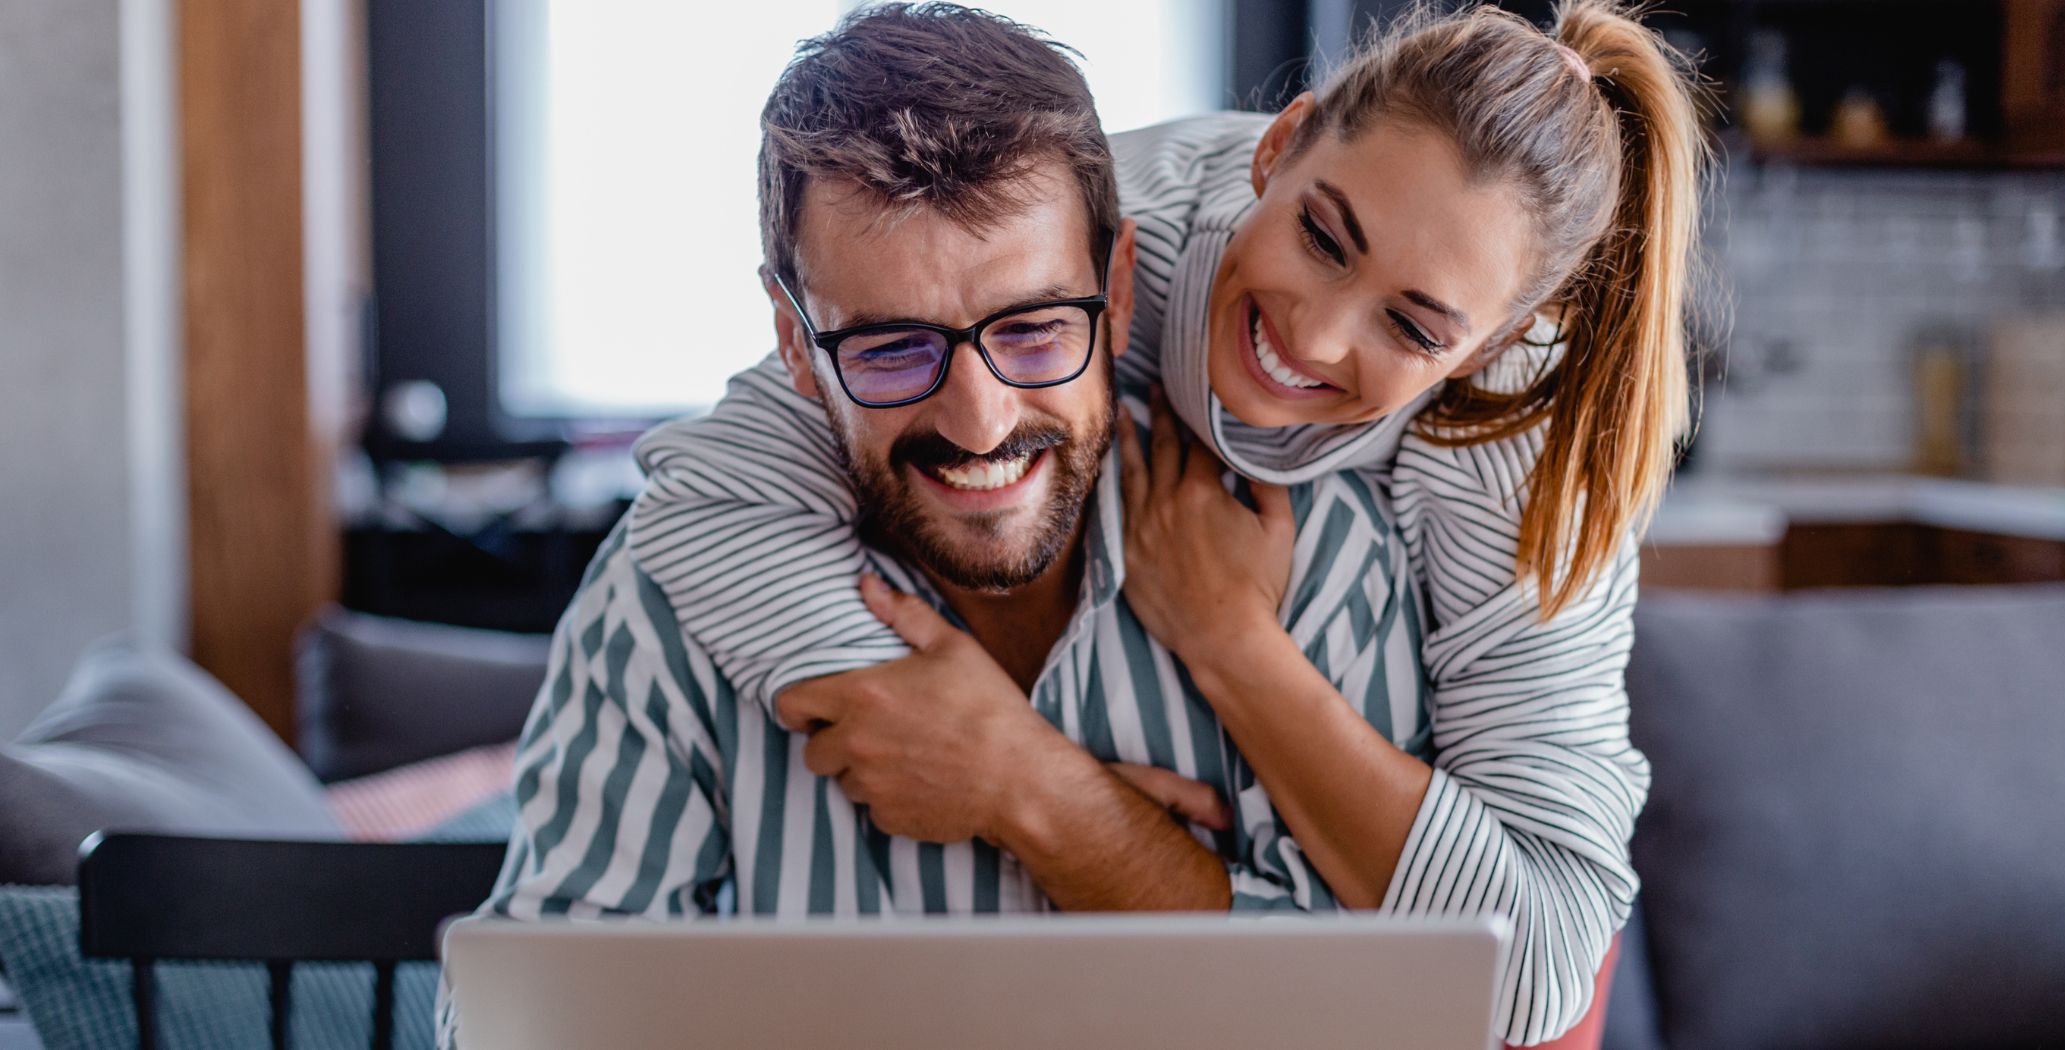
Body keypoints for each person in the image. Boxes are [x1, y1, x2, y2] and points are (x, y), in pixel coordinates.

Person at [641, 1, 1703, 1045]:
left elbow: (1543, 965)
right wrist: (994, 750)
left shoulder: (1512, 429)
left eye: (1412, 325)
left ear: (1483, 349)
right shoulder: (1094, 228)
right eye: (1323, 239)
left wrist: (1227, 644)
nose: (1315, 334)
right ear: (1280, 146)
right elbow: (700, 495)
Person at [436, 5, 1458, 1047]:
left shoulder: (1323, 561)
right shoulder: (665, 604)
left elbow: (1379, 1025)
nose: (980, 422)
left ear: (1115, 283)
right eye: (891, 349)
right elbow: (527, 1025)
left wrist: (1040, 794)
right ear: (795, 342)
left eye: (1033, 329)